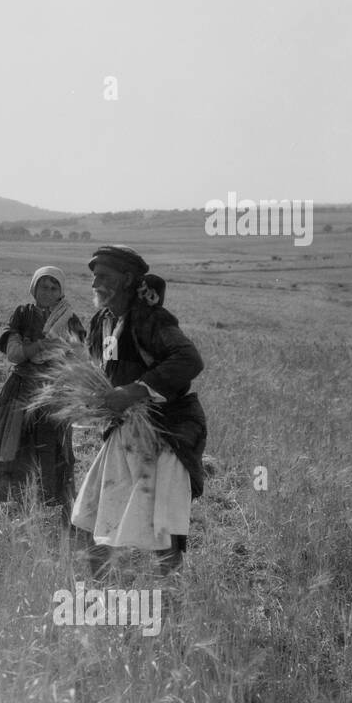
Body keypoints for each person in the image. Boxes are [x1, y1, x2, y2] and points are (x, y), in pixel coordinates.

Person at [70, 246, 208, 575]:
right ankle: (98, 593)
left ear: (128, 279)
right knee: (93, 511)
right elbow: (101, 369)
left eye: (103, 276)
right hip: (125, 430)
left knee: (163, 524)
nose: (94, 284)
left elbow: (189, 360)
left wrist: (135, 390)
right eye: (93, 276)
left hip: (166, 431)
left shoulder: (151, 319)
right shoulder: (102, 321)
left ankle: (171, 600)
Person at [0, 265, 87, 512]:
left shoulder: (70, 319)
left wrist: (55, 354)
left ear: (61, 292)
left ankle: (47, 498)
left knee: (50, 442)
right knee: (10, 439)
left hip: (53, 390)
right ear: (33, 288)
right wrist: (40, 347)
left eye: (53, 287)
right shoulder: (22, 314)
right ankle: (3, 495)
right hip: (21, 388)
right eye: (43, 286)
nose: (47, 291)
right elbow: (14, 354)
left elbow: (79, 358)